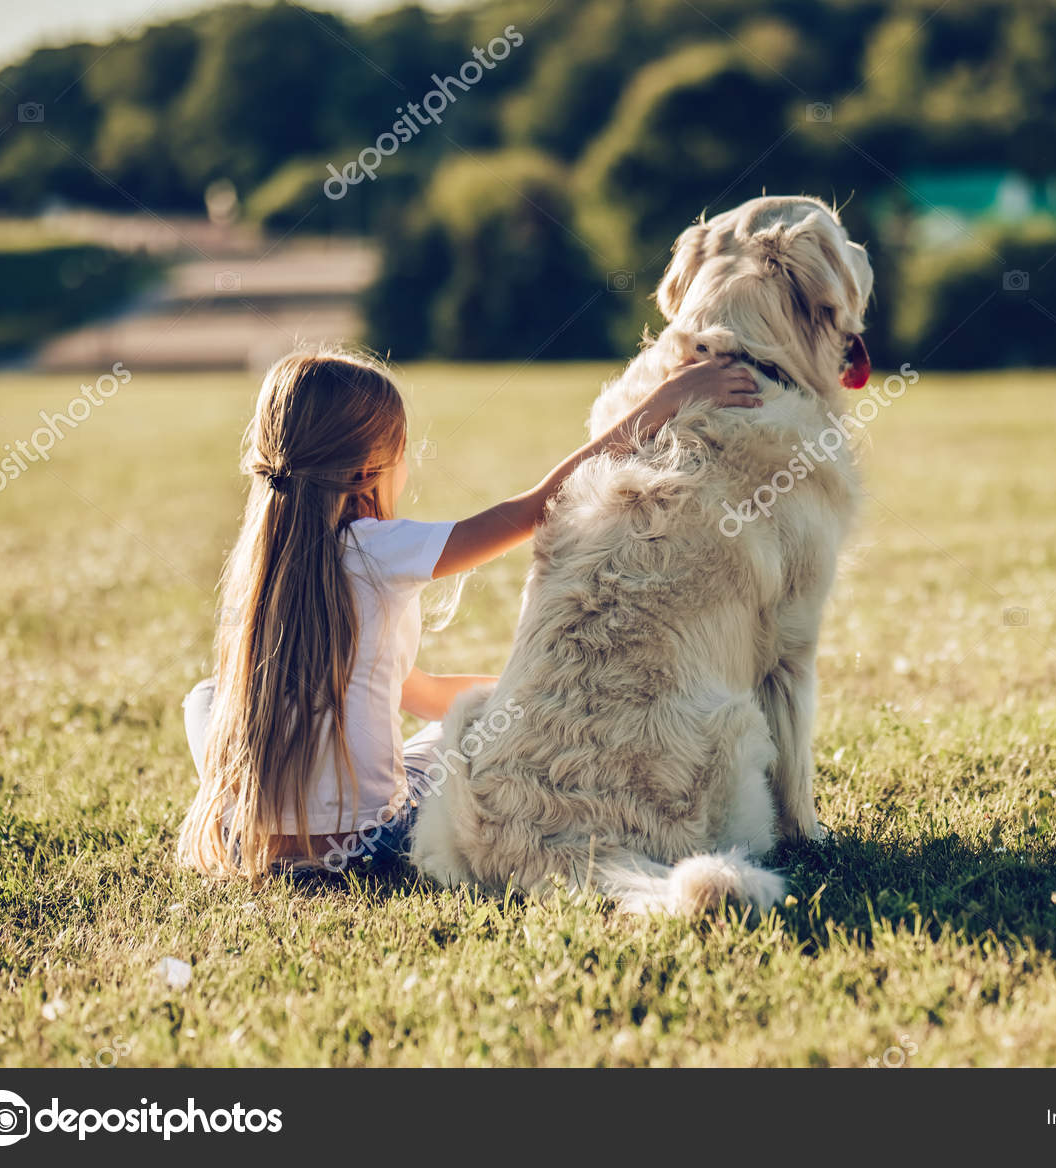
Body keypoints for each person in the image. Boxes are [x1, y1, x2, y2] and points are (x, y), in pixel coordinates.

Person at [176, 347, 759, 878]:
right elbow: (536, 507)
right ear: (363, 474)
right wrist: (664, 402)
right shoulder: (374, 548)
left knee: (206, 698)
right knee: (462, 738)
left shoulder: (259, 573)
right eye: (400, 455)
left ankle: (252, 815)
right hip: (372, 845)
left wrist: (525, 691)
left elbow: (418, 690)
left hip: (251, 843)